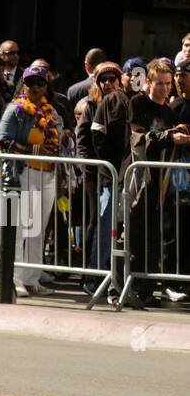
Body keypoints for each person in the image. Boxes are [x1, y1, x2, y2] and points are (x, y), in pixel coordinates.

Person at [0, 63, 62, 297]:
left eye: (40, 83)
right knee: (21, 227)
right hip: (23, 172)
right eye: (31, 83)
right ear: (24, 85)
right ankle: (14, 279)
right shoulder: (16, 109)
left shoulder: (51, 112)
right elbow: (3, 141)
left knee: (39, 229)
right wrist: (31, 150)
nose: (36, 87)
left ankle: (33, 278)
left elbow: (58, 140)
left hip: (47, 174)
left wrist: (52, 149)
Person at [126, 58, 190, 304]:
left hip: (161, 184)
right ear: (148, 83)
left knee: (154, 236)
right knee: (135, 233)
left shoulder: (170, 111)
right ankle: (130, 285)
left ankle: (149, 287)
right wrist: (168, 137)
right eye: (159, 83)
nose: (164, 88)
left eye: (167, 84)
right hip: (138, 177)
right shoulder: (137, 103)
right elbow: (138, 137)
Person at [77, 61, 127, 295]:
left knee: (113, 227)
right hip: (98, 175)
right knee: (98, 224)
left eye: (112, 79)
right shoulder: (90, 105)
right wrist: (89, 172)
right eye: (103, 79)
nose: (108, 83)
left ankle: (112, 275)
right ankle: (92, 275)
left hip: (119, 174)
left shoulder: (122, 103)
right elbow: (85, 143)